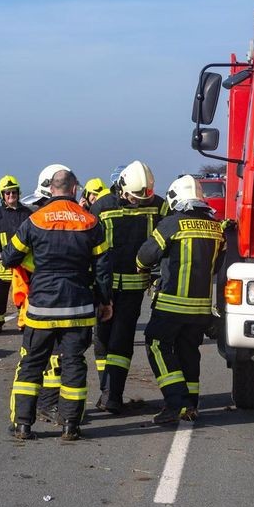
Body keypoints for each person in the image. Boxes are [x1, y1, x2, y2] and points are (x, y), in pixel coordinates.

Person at [2, 165, 112, 441]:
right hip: (78, 307)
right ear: (75, 189)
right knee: (74, 364)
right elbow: (102, 268)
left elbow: (8, 257)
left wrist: (35, 263)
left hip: (42, 307)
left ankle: (24, 425)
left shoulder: (35, 220)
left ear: (51, 189)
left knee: (32, 365)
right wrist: (105, 300)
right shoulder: (90, 222)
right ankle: (70, 426)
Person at [136, 175, 225, 424]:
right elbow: (217, 265)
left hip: (171, 304)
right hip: (201, 308)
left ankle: (176, 403)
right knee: (188, 351)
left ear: (175, 198)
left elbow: (145, 256)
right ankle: (191, 406)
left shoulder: (171, 224)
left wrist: (143, 269)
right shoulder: (216, 227)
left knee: (156, 345)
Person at [90, 159, 167, 414]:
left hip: (134, 289)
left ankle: (113, 396)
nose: (139, 202)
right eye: (134, 197)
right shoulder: (102, 207)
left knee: (121, 342)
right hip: (104, 287)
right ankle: (106, 389)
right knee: (101, 340)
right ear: (121, 186)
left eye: (143, 197)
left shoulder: (157, 205)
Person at [0, 175, 32, 334]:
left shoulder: (27, 214)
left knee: (24, 294)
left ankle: (24, 322)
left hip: (23, 265)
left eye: (14, 192)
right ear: (1, 195)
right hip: (1, 265)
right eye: (7, 193)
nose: (11, 196)